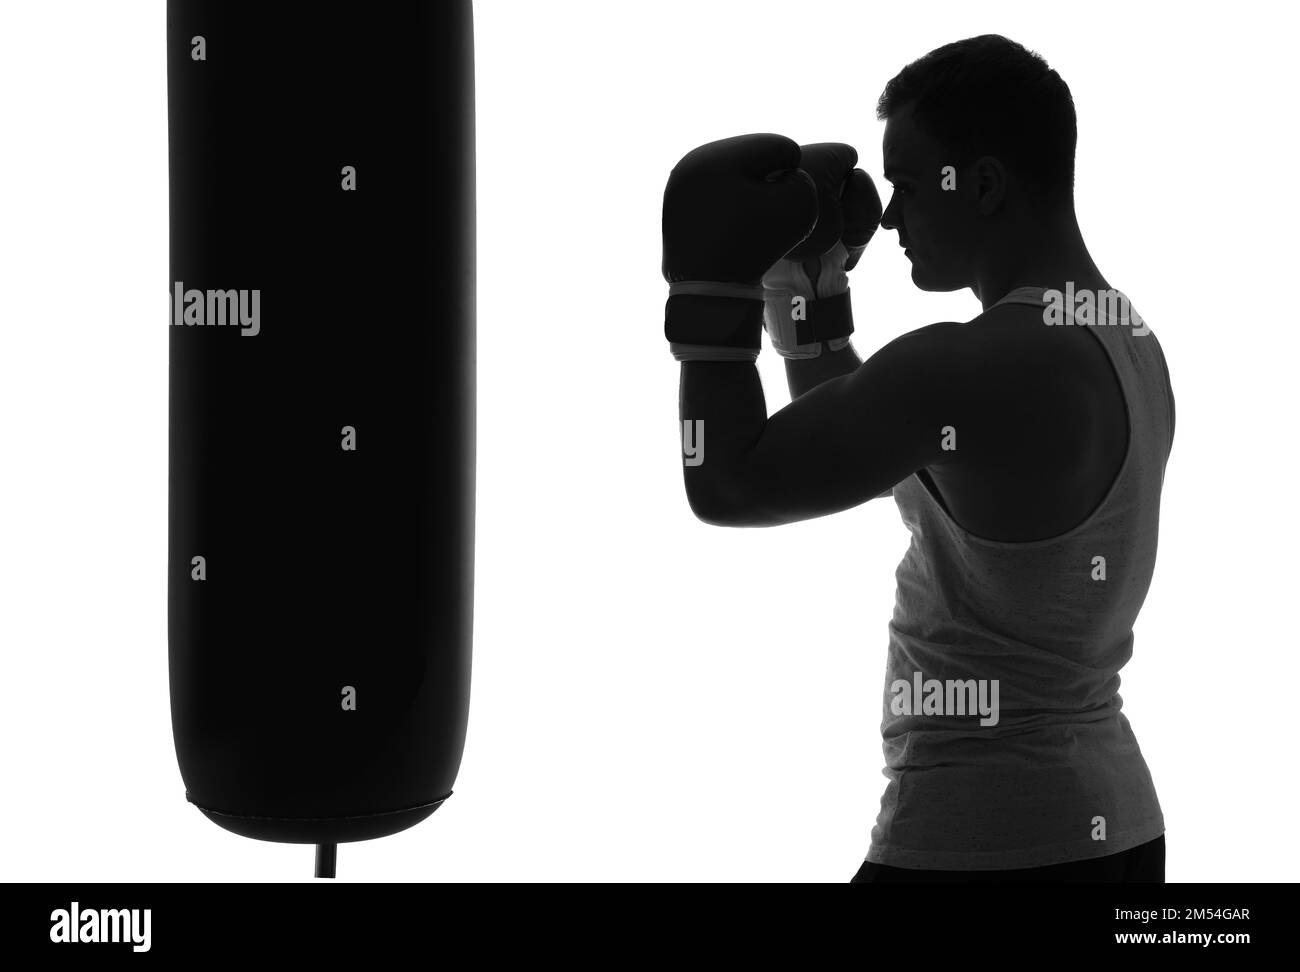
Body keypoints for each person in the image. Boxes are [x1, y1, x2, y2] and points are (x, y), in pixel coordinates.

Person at [660, 34, 1173, 882]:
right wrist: (807, 289)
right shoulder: (1116, 334)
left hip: (986, 843)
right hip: (1108, 829)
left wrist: (711, 291)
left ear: (981, 184)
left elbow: (728, 480)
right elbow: (884, 447)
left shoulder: (977, 361)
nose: (890, 215)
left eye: (906, 182)